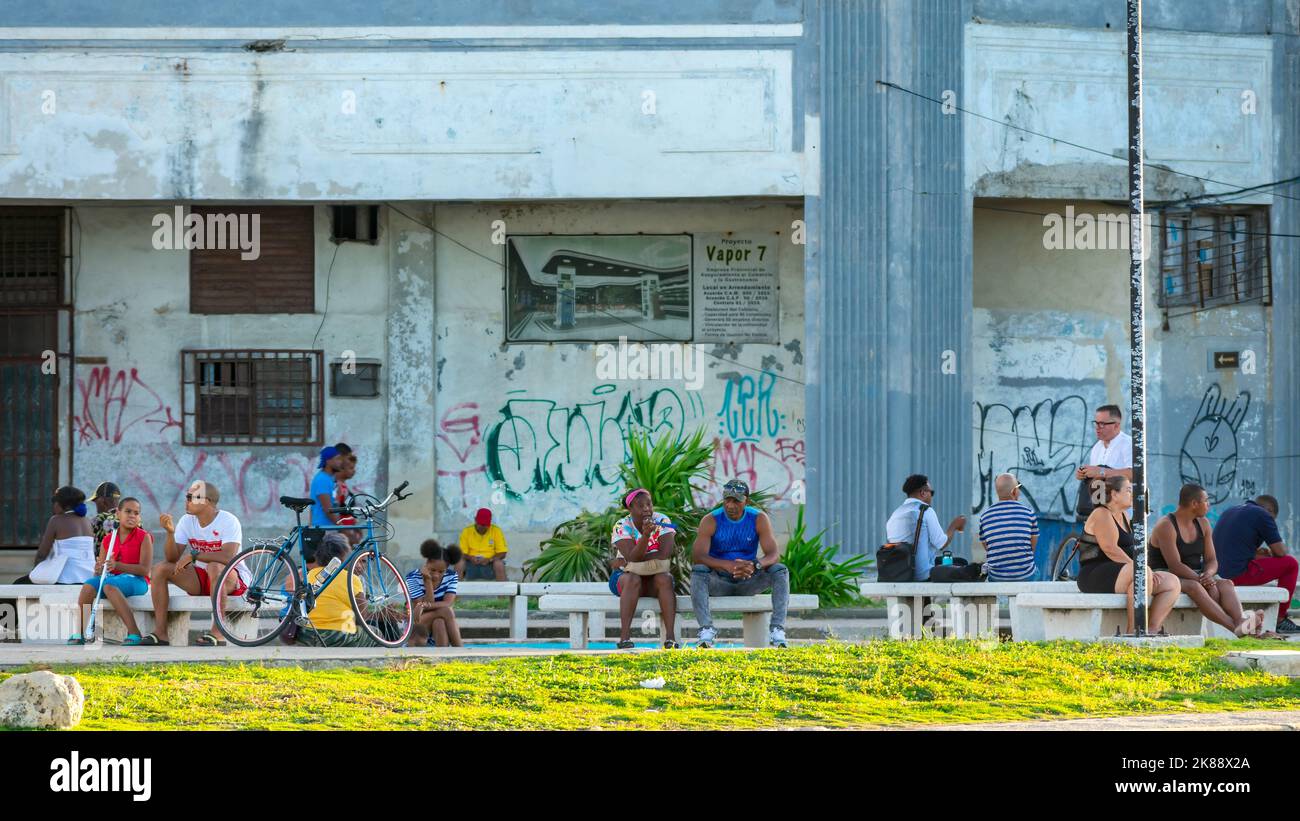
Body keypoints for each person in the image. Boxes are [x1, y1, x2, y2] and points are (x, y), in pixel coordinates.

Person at [138, 480, 245, 646]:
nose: (186, 500)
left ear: (206, 501)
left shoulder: (228, 520)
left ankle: (218, 632)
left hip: (231, 579)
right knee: (160, 569)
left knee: (214, 566)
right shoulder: (187, 521)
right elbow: (172, 559)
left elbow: (228, 557)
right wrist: (170, 533)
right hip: (202, 579)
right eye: (186, 496)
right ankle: (161, 633)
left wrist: (194, 556)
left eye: (191, 497)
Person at [691, 479, 789, 648]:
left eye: (736, 500)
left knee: (779, 570)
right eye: (727, 500)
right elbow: (698, 556)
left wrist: (755, 565)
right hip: (719, 582)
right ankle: (706, 630)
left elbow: (774, 555)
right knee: (698, 570)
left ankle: (777, 630)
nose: (730, 505)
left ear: (746, 501)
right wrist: (726, 565)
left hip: (748, 580)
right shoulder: (711, 520)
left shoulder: (758, 518)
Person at [1075, 476, 1180, 634]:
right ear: (1115, 495)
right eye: (1129, 490)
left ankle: (1151, 629)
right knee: (1142, 574)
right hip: (1094, 573)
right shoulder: (1101, 513)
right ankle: (1134, 631)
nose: (1133, 494)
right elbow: (1110, 549)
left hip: (1122, 572)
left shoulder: (1124, 515)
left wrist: (1143, 569)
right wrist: (1141, 569)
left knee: (1171, 582)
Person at [1151, 483, 1258, 637]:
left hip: (1197, 575)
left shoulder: (1203, 523)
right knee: (1195, 587)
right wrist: (1204, 581)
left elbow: (1212, 559)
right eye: (1206, 501)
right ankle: (1234, 628)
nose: (1209, 505)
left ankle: (1241, 621)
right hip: (1166, 575)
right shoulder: (1166, 525)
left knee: (1226, 584)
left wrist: (1208, 574)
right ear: (1194, 504)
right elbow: (1175, 566)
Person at [68, 497, 154, 645]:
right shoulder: (109, 539)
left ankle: (134, 633)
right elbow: (102, 570)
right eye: (128, 511)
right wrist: (99, 569)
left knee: (109, 586)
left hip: (138, 581)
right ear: (118, 514)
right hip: (112, 579)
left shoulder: (144, 537)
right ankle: (81, 633)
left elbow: (145, 570)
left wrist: (118, 566)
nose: (132, 516)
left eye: (136, 513)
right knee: (88, 585)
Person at [1212, 494, 1299, 634]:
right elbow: (1281, 552)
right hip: (1234, 575)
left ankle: (1280, 619)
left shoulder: (1231, 510)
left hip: (1216, 574)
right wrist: (1271, 551)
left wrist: (1256, 554)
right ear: (1270, 511)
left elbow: (1232, 549)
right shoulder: (1263, 514)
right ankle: (1280, 619)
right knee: (1291, 564)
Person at [613, 489, 679, 649]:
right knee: (632, 578)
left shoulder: (662, 520)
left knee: (665, 579)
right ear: (630, 509)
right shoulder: (622, 526)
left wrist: (634, 557)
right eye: (640, 506)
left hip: (653, 578)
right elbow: (632, 558)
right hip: (625, 579)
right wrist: (646, 536)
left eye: (649, 504)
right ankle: (624, 638)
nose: (646, 509)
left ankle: (670, 638)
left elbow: (665, 553)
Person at [296, 532, 378, 647]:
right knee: (375, 632)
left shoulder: (309, 576)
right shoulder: (352, 579)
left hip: (307, 634)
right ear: (342, 556)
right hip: (337, 635)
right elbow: (362, 618)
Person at [884, 474, 966, 582]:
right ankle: (926, 598)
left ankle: (924, 599)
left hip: (900, 574)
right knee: (961, 563)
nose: (931, 496)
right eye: (931, 492)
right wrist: (955, 525)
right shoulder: (925, 510)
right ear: (923, 492)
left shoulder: (895, 514)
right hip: (922, 575)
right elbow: (941, 543)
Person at [18, 486, 96, 585]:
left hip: (65, 576)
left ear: (63, 505)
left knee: (19, 583)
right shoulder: (87, 521)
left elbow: (42, 554)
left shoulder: (56, 520)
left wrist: (36, 572)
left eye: (54, 502)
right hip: (89, 576)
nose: (53, 505)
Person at [977, 473, 1039, 581]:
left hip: (997, 577)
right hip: (1026, 575)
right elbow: (1032, 547)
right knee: (1035, 571)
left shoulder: (985, 516)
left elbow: (988, 547)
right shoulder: (1028, 513)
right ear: (1014, 491)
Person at [1076, 404, 1133, 515]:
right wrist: (1084, 474)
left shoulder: (1128, 444)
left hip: (1124, 514)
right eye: (1096, 423)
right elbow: (1096, 478)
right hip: (1101, 512)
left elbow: (1135, 474)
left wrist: (1101, 471)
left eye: (1102, 424)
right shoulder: (1097, 447)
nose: (1097, 427)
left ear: (1116, 425)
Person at [406, 540, 463, 647]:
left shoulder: (452, 576)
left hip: (439, 618)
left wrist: (424, 605)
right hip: (417, 623)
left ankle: (443, 657)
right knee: (447, 612)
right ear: (426, 563)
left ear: (446, 569)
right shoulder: (412, 577)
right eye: (432, 570)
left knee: (439, 621)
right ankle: (460, 650)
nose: (436, 575)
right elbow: (419, 611)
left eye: (441, 572)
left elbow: (448, 602)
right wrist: (427, 580)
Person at [308, 445, 347, 558]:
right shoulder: (322, 479)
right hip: (324, 530)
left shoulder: (330, 479)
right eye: (338, 459)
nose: (341, 462)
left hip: (329, 529)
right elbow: (327, 510)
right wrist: (343, 528)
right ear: (329, 461)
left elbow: (333, 505)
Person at [457, 508, 507, 581]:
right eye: (481, 524)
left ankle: (502, 591)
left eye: (486, 525)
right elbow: (461, 553)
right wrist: (471, 558)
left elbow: (502, 553)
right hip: (470, 563)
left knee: (499, 564)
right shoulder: (466, 531)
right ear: (475, 520)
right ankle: (455, 591)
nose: (483, 527)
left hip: (490, 563)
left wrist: (489, 559)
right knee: (459, 563)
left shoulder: (496, 531)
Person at [88, 481, 122, 553]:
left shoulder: (99, 519)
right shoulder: (131, 519)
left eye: (96, 501)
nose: (96, 505)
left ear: (103, 501)